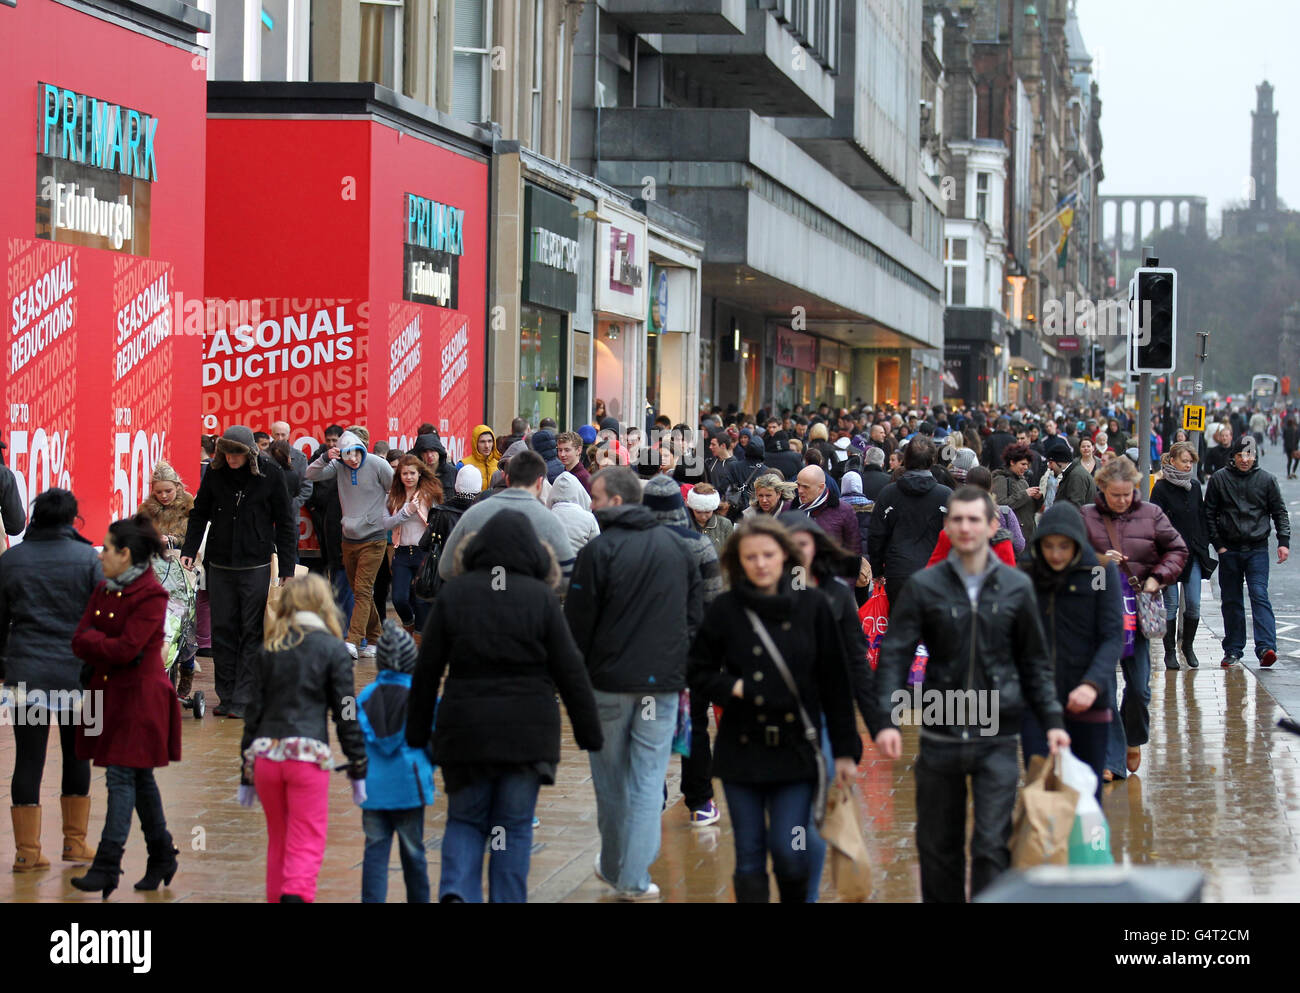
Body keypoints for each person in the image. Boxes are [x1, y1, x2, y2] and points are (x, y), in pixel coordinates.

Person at [874, 486, 1068, 903]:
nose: (965, 527)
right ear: (947, 526)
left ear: (993, 526)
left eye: (974, 519)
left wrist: (1052, 722)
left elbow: (1035, 661)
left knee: (991, 845)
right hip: (940, 731)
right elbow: (895, 653)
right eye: (957, 519)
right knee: (937, 845)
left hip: (997, 733)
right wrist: (886, 718)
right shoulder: (925, 586)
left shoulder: (1016, 586)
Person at [409, 511, 602, 902]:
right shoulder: (541, 600)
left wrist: (417, 734)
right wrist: (590, 733)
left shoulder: (455, 596)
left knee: (464, 819)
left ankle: (457, 890)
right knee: (513, 827)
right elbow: (570, 671)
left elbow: (427, 671)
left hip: (465, 731)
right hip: (526, 736)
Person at [688, 517, 860, 903]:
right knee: (748, 858)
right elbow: (696, 671)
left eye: (768, 555)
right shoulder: (726, 609)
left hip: (796, 749)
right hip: (741, 750)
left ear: (785, 555)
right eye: (751, 557)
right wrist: (733, 686)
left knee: (790, 850)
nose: (761, 564)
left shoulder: (812, 605)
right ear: (738, 561)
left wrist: (847, 750)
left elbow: (835, 680)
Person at [565, 467, 700, 900]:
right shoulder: (678, 548)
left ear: (618, 502)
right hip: (660, 685)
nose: (591, 503)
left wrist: (573, 683)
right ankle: (633, 878)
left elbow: (577, 625)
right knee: (646, 781)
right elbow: (695, 615)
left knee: (611, 783)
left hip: (608, 685)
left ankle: (615, 865)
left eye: (597, 497)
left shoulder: (598, 551)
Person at [71, 515, 183, 898]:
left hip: (140, 700)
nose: (100, 554)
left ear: (126, 554)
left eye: (106, 548)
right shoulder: (105, 590)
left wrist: (97, 645)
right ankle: (162, 855)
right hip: (106, 694)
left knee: (121, 777)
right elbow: (79, 638)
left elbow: (126, 648)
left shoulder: (151, 595)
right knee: (139, 778)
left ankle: (107, 865)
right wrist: (101, 647)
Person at [239, 573, 367, 902]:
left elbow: (253, 712)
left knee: (278, 842)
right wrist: (357, 761)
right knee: (307, 838)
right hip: (307, 757)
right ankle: (296, 895)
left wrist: (246, 771)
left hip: (267, 757)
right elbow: (346, 711)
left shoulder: (270, 647)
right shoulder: (333, 649)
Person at [779, 513, 882, 900]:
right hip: (763, 722)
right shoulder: (757, 590)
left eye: (803, 544)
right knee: (779, 831)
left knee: (807, 819)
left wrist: (879, 724)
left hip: (819, 718)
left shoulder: (836, 595)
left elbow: (857, 661)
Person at [0, 489, 101, 871]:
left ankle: (27, 851)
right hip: (81, 674)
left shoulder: (12, 560)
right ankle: (74, 845)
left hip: (26, 671)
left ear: (35, 517)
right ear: (72, 519)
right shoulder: (87, 560)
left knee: (28, 757)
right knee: (78, 754)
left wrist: (3, 664)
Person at [1081, 457, 1187, 780]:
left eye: (1128, 494)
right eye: (1116, 495)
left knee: (1139, 688)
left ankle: (1133, 737)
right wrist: (1098, 560)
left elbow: (1178, 550)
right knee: (1106, 688)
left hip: (1137, 614)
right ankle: (1111, 760)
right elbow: (1065, 557)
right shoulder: (1085, 517)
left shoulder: (1151, 514)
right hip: (1099, 614)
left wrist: (1158, 578)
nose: (1123, 500)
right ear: (1102, 488)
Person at [180, 426, 298, 718]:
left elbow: (285, 522)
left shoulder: (271, 475)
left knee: (251, 630)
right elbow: (199, 513)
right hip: (220, 563)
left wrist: (287, 567)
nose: (232, 459)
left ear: (250, 453)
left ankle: (244, 697)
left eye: (237, 454)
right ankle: (227, 694)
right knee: (222, 630)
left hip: (255, 563)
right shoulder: (216, 473)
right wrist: (189, 549)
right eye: (227, 454)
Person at [1018, 502, 1123, 803]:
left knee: (1088, 794)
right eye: (1049, 546)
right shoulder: (1026, 572)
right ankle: (1047, 850)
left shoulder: (1100, 571)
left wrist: (1091, 684)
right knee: (1042, 791)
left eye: (1064, 546)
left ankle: (1088, 848)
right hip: (1038, 702)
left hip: (1088, 701)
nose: (1056, 554)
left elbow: (1112, 635)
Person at [357, 621, 435, 903]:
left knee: (375, 854)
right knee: (414, 853)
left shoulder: (365, 697)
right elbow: (432, 740)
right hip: (409, 787)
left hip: (373, 790)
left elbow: (355, 739)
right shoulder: (421, 697)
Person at [305, 430, 395, 660]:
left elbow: (394, 490)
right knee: (359, 591)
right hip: (348, 537)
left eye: (355, 453)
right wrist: (326, 457)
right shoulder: (339, 467)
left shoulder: (378, 464)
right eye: (347, 455)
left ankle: (353, 640)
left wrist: (385, 519)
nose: (353, 459)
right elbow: (310, 474)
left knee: (363, 590)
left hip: (374, 537)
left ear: (361, 449)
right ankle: (376, 637)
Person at [1206, 437, 1290, 669]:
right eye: (1241, 455)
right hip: (1229, 549)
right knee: (1231, 600)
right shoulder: (1220, 479)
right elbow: (1209, 513)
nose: (1245, 459)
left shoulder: (1266, 480)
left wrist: (1283, 541)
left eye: (1249, 455)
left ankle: (1265, 648)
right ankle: (1233, 649)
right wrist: (1218, 544)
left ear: (1255, 456)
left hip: (1257, 548)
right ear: (1233, 455)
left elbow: (1279, 512)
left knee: (1258, 594)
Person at [438, 451, 576, 592]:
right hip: (530, 605)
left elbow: (446, 568)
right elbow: (566, 578)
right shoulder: (549, 520)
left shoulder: (474, 513)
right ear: (540, 482)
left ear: (507, 479)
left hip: (480, 603)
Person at [1150, 442, 1216, 670]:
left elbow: (1202, 515)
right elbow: (1154, 521)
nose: (1188, 465)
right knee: (1170, 604)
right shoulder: (1160, 488)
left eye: (1191, 462)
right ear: (1172, 460)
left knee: (1194, 604)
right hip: (1168, 555)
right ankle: (1170, 652)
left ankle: (1188, 646)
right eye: (1185, 461)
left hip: (1193, 553)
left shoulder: (1195, 486)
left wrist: (1203, 541)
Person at [138, 460, 200, 699]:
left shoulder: (189, 508)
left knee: (185, 620)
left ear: (177, 487)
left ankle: (187, 669)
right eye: (159, 492)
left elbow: (195, 538)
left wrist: (173, 540)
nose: (164, 496)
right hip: (155, 568)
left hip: (183, 567)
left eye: (168, 491)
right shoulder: (146, 510)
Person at [866, 438, 951, 604]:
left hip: (899, 570)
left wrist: (877, 570)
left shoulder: (888, 493)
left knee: (901, 624)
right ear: (932, 461)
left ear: (906, 459)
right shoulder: (945, 495)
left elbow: (876, 534)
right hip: (935, 570)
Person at [384, 455, 441, 638]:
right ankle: (409, 624)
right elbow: (387, 524)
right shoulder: (394, 496)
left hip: (422, 552)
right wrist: (405, 511)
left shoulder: (428, 494)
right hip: (401, 552)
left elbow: (438, 520)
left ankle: (419, 638)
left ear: (419, 474)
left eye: (412, 473)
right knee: (399, 597)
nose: (408, 477)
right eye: (404, 473)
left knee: (421, 599)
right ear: (399, 476)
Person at [795, 465, 861, 558]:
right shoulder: (789, 509)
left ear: (821, 487)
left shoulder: (844, 510)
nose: (800, 491)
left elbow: (854, 551)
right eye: (798, 485)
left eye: (806, 487)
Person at [991, 442, 1041, 544]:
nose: (1026, 467)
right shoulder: (1001, 479)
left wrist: (1038, 499)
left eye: (1027, 464)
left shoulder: (1022, 480)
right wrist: (1025, 494)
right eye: (1023, 464)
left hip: (1028, 534)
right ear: (1012, 462)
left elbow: (1030, 508)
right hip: (1015, 535)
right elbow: (1000, 505)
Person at [547, 470, 600, 555]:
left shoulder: (546, 517)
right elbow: (596, 548)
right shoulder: (589, 518)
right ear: (579, 492)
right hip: (580, 565)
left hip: (553, 565)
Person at [270, 421, 313, 516]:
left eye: (283, 435)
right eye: (277, 434)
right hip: (266, 516)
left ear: (288, 435)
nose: (280, 438)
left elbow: (307, 485)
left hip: (291, 516)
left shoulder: (299, 457)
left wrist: (294, 504)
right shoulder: (263, 456)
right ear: (272, 434)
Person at [1043, 435, 1096, 511]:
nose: (1049, 467)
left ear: (1060, 462)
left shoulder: (1076, 476)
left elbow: (1075, 508)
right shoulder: (1072, 473)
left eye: (1051, 463)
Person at [686, 482, 733, 557]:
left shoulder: (725, 524)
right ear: (692, 508)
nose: (703, 516)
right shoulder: (684, 524)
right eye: (698, 512)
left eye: (707, 512)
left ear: (713, 509)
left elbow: (731, 552)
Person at [463, 425, 500, 491]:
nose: (487, 446)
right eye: (482, 442)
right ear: (475, 443)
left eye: (490, 441)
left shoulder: (499, 465)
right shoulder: (463, 465)